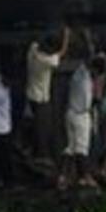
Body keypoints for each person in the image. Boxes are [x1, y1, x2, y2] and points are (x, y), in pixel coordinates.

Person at [60, 55, 105, 190]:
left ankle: (63, 176)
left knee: (70, 147)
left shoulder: (78, 72)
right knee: (82, 148)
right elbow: (88, 102)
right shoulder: (85, 82)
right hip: (81, 114)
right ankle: (85, 176)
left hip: (70, 112)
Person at [26, 27, 70, 162]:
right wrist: (66, 37)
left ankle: (36, 151)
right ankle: (41, 154)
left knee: (38, 125)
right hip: (41, 98)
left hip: (31, 93)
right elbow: (62, 53)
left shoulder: (33, 49)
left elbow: (36, 42)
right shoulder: (46, 60)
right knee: (43, 127)